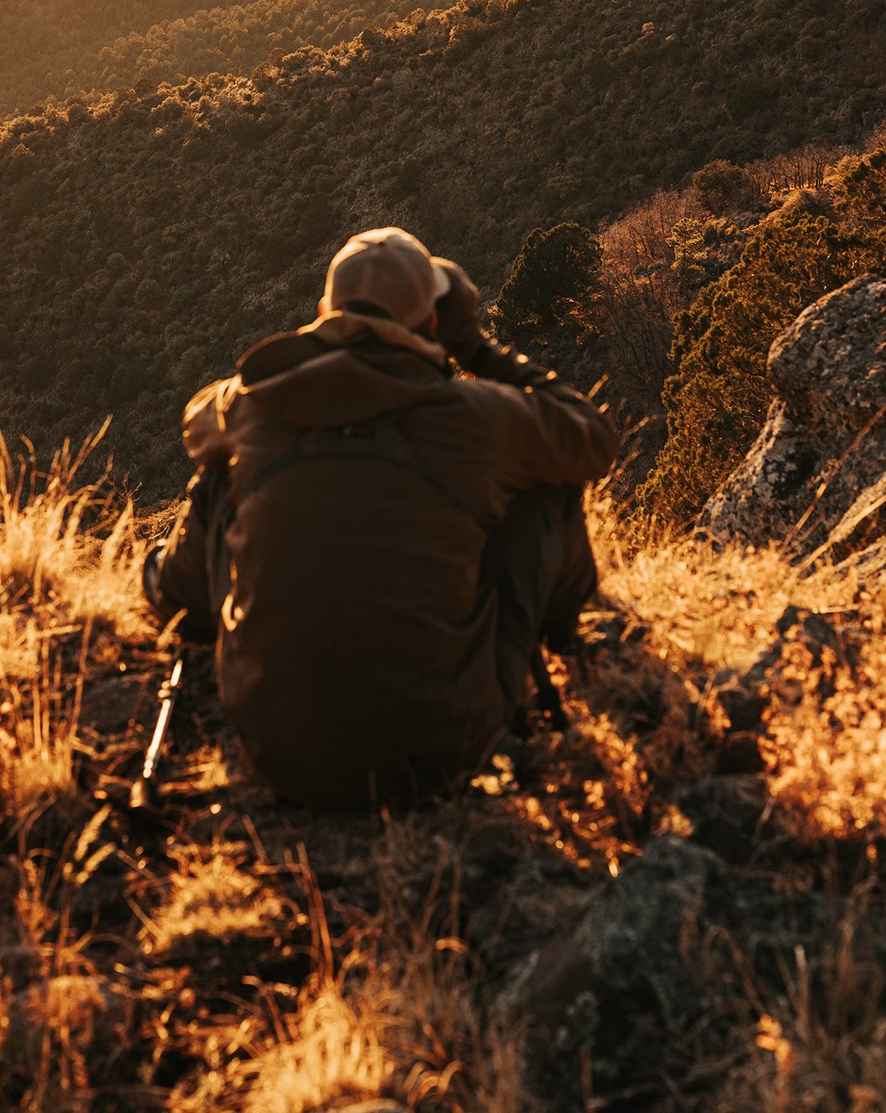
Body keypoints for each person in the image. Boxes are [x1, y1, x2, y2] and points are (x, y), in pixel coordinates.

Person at [142, 225, 617, 808]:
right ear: (435, 324)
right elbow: (592, 439)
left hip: (276, 749)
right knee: (549, 486)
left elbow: (196, 426)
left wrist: (314, 355)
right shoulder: (477, 418)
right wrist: (478, 350)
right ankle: (562, 635)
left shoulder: (253, 406)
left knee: (220, 477)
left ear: (324, 311)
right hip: (444, 749)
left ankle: (177, 594)